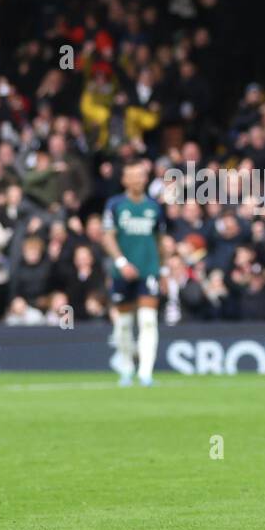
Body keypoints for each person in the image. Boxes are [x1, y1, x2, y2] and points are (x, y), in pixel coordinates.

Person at [101, 160, 167, 386]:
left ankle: (146, 372)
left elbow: (159, 240)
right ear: (124, 180)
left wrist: (163, 269)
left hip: (149, 269)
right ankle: (127, 369)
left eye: (141, 175)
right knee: (124, 323)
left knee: (148, 320)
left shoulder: (154, 207)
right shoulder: (115, 204)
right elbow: (108, 236)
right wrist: (121, 263)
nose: (138, 179)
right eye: (133, 176)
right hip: (123, 272)